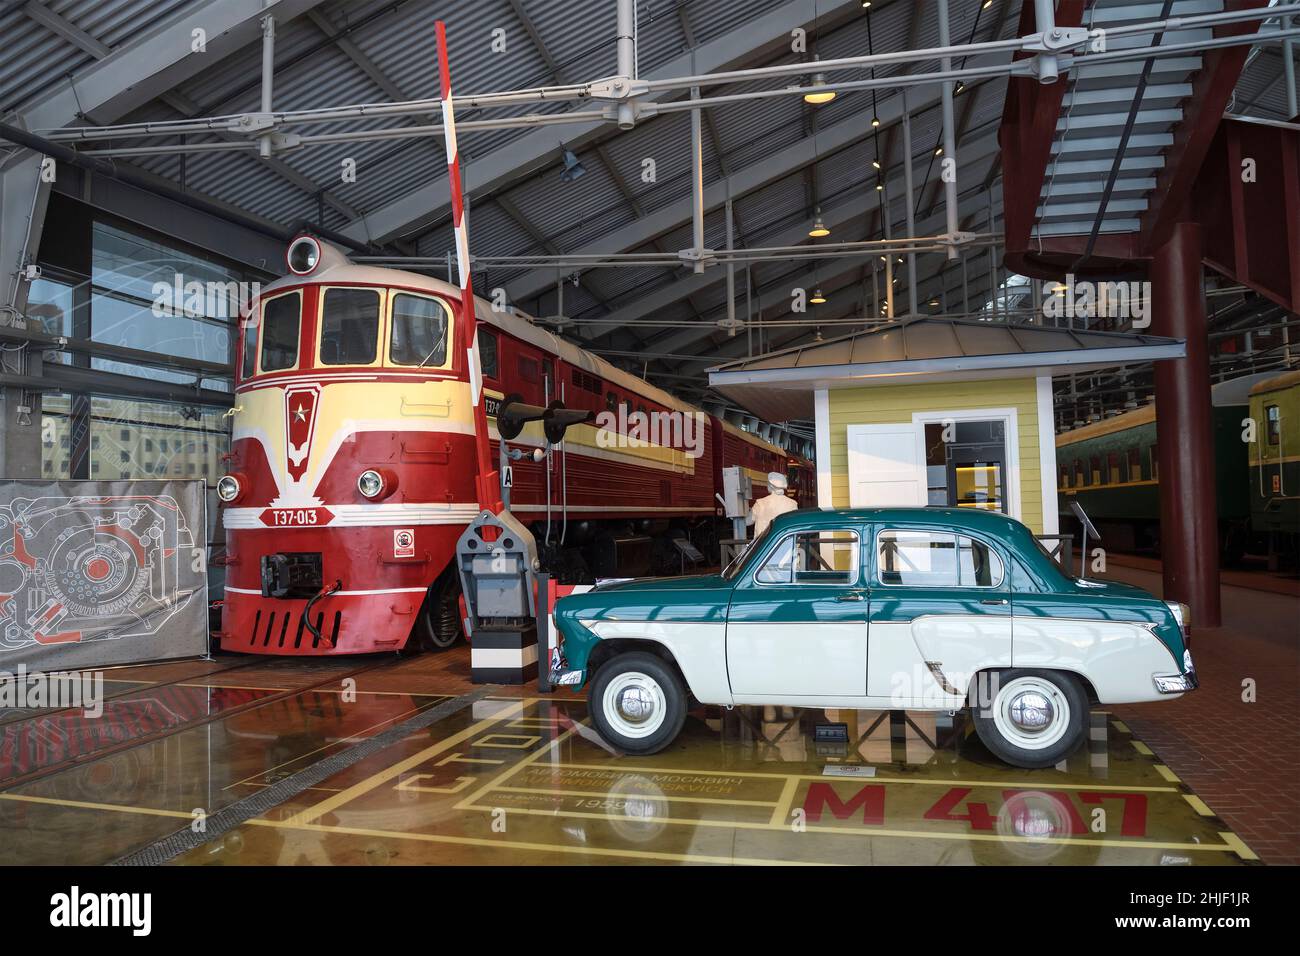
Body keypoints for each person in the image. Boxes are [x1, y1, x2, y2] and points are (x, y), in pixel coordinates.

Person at [746, 471, 798, 538]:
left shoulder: (760, 503)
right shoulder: (792, 504)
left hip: (765, 546)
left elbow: (747, 521)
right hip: (785, 544)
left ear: (771, 486)